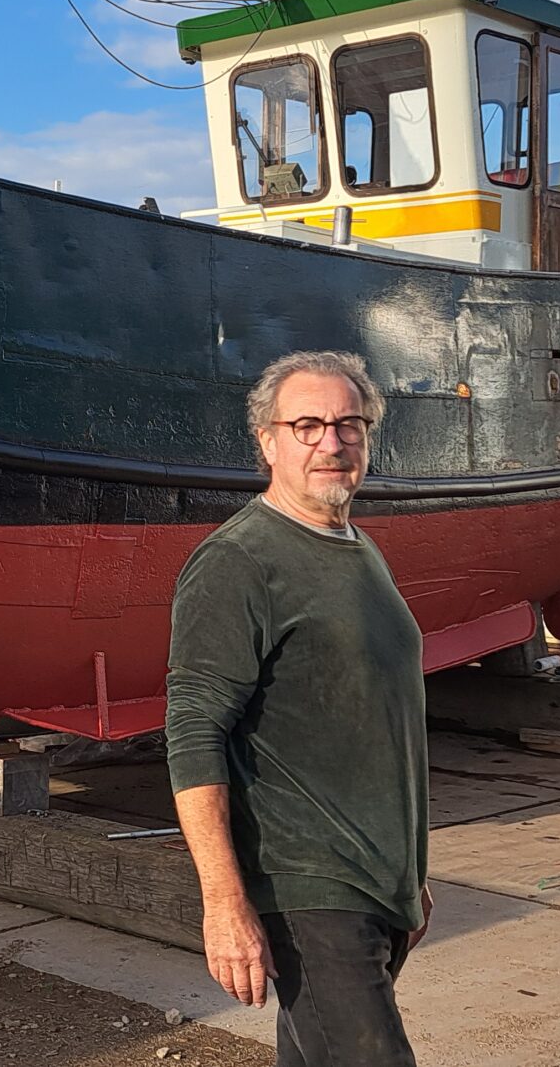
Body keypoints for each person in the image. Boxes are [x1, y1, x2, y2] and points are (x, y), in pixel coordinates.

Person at [165, 349, 432, 1066]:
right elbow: (194, 734)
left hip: (377, 884)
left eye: (349, 424)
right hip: (308, 889)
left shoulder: (355, 547)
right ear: (268, 440)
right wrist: (224, 904)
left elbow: (379, 719)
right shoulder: (240, 561)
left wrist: (411, 874)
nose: (331, 443)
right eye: (307, 424)